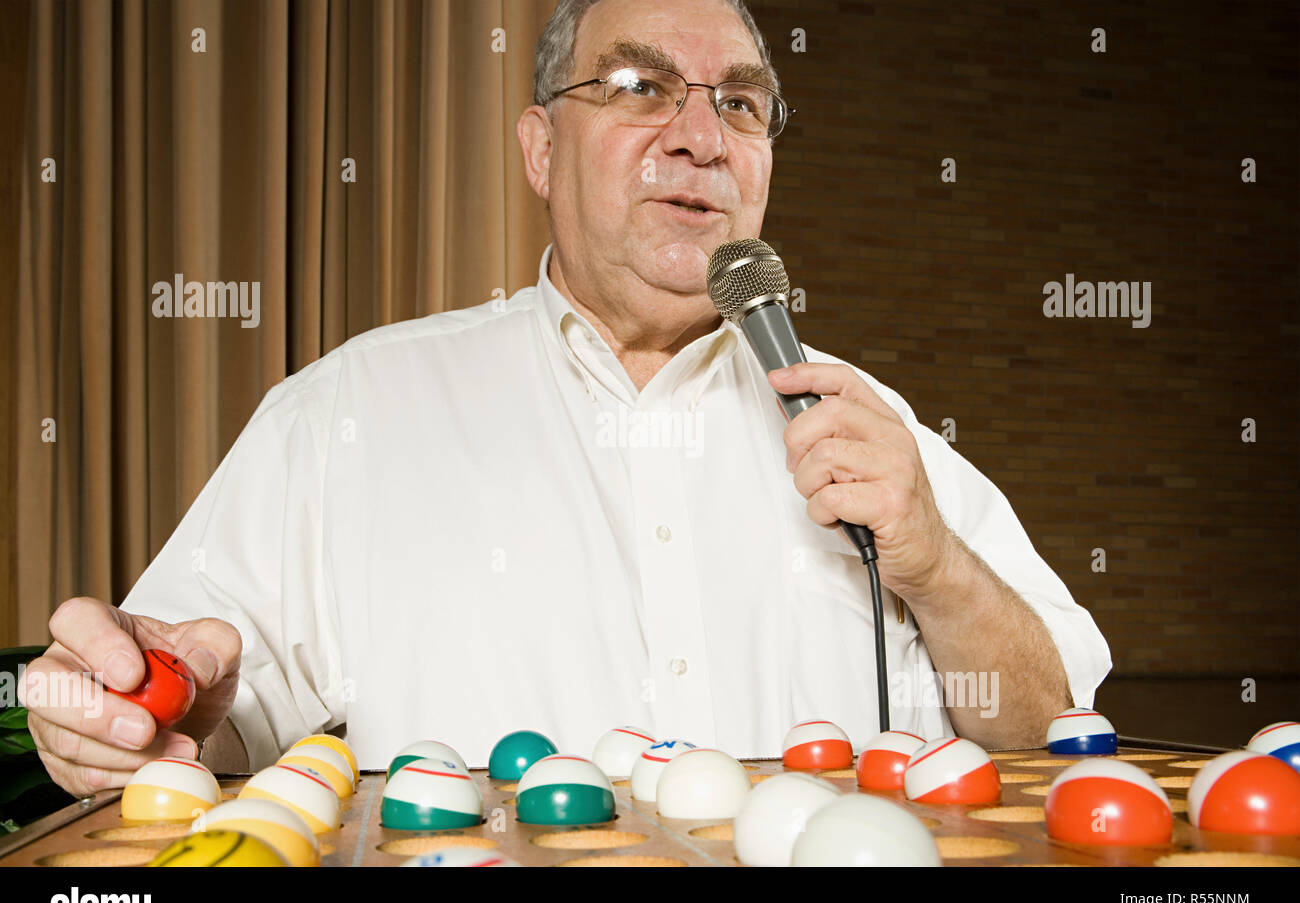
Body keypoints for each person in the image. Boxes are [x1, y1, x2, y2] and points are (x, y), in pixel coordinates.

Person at [22, 0, 1111, 795]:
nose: (701, 135)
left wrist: (935, 564)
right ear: (541, 150)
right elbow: (181, 717)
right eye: (639, 88)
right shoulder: (352, 409)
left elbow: (1048, 738)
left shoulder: (867, 424)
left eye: (740, 101)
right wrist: (127, 710)